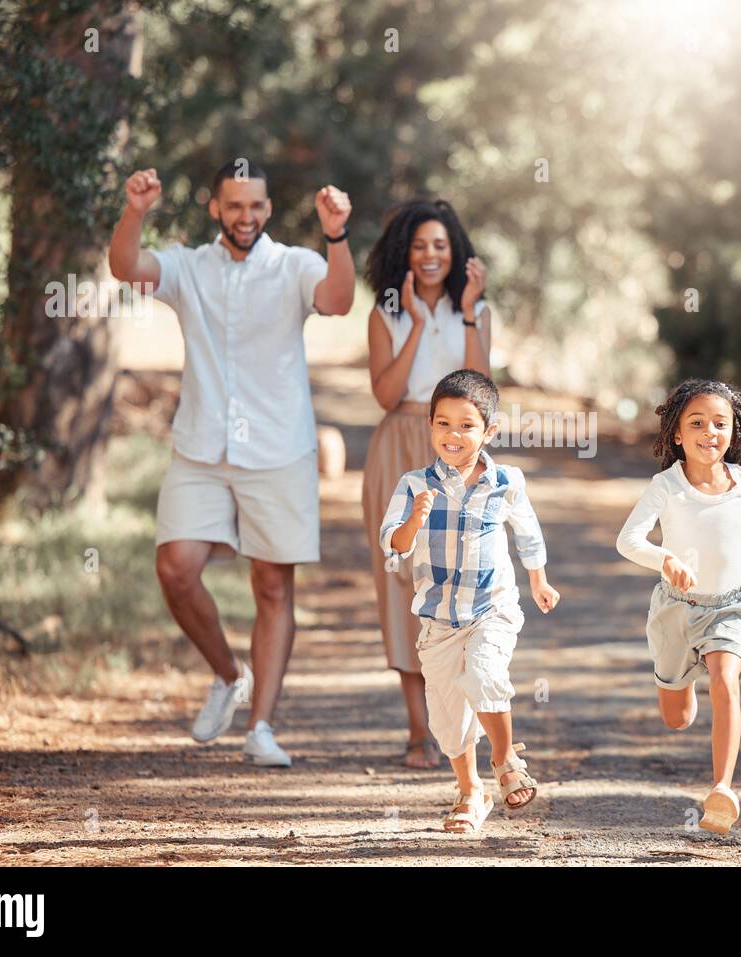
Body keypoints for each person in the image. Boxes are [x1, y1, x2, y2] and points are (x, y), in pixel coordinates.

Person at [108, 161, 355, 766]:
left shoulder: (294, 264)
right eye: (235, 206)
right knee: (176, 568)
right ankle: (227, 674)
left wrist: (337, 234)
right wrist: (135, 211)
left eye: (257, 206)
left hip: (278, 448)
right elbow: (126, 267)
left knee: (272, 585)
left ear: (268, 209)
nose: (247, 216)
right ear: (214, 208)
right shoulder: (188, 266)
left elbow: (339, 300)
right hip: (202, 446)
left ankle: (261, 728)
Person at [379, 370, 560, 833]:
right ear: (430, 426)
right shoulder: (413, 484)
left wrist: (538, 581)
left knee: (484, 673)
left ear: (489, 432)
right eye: (443, 424)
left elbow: (528, 534)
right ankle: (470, 790)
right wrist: (414, 522)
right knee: (448, 719)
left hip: (491, 608)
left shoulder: (506, 481)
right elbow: (394, 547)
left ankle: (505, 761)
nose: (453, 435)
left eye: (466, 425)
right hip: (438, 619)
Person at [616, 379, 741, 835]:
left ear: (734, 432)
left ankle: (721, 789)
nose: (709, 431)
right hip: (676, 610)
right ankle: (686, 682)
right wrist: (667, 559)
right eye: (697, 423)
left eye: (720, 423)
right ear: (677, 434)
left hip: (728, 608)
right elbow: (628, 540)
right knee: (676, 719)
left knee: (725, 680)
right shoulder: (666, 486)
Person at [361, 199, 492, 769]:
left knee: (462, 577)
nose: (431, 255)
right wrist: (415, 323)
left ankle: (459, 731)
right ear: (404, 254)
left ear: (455, 251)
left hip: (459, 448)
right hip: (398, 443)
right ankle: (419, 732)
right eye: (419, 246)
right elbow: (387, 394)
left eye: (441, 245)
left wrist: (465, 314)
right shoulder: (385, 314)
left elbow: (483, 388)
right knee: (401, 580)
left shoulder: (478, 310)